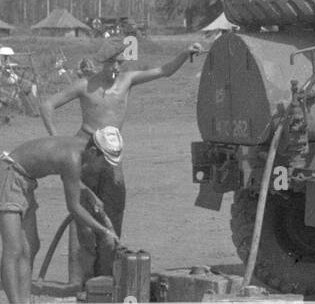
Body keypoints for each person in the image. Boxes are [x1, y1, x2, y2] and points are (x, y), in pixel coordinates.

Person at [37, 35, 202, 280]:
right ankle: (82, 279)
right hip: (85, 153)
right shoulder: (85, 85)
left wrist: (184, 52)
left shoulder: (127, 81)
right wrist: (59, 143)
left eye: (119, 63)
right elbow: (47, 105)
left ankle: (106, 276)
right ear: (101, 62)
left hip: (112, 156)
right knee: (83, 214)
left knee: (113, 211)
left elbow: (165, 71)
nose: (116, 68)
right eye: (111, 63)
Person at [0, 128, 124, 304]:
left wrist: (88, 193)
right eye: (105, 161)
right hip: (9, 176)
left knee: (31, 246)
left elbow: (70, 178)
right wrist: (105, 231)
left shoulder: (80, 148)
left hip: (25, 182)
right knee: (14, 249)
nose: (105, 167)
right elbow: (74, 208)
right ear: (93, 152)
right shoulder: (74, 158)